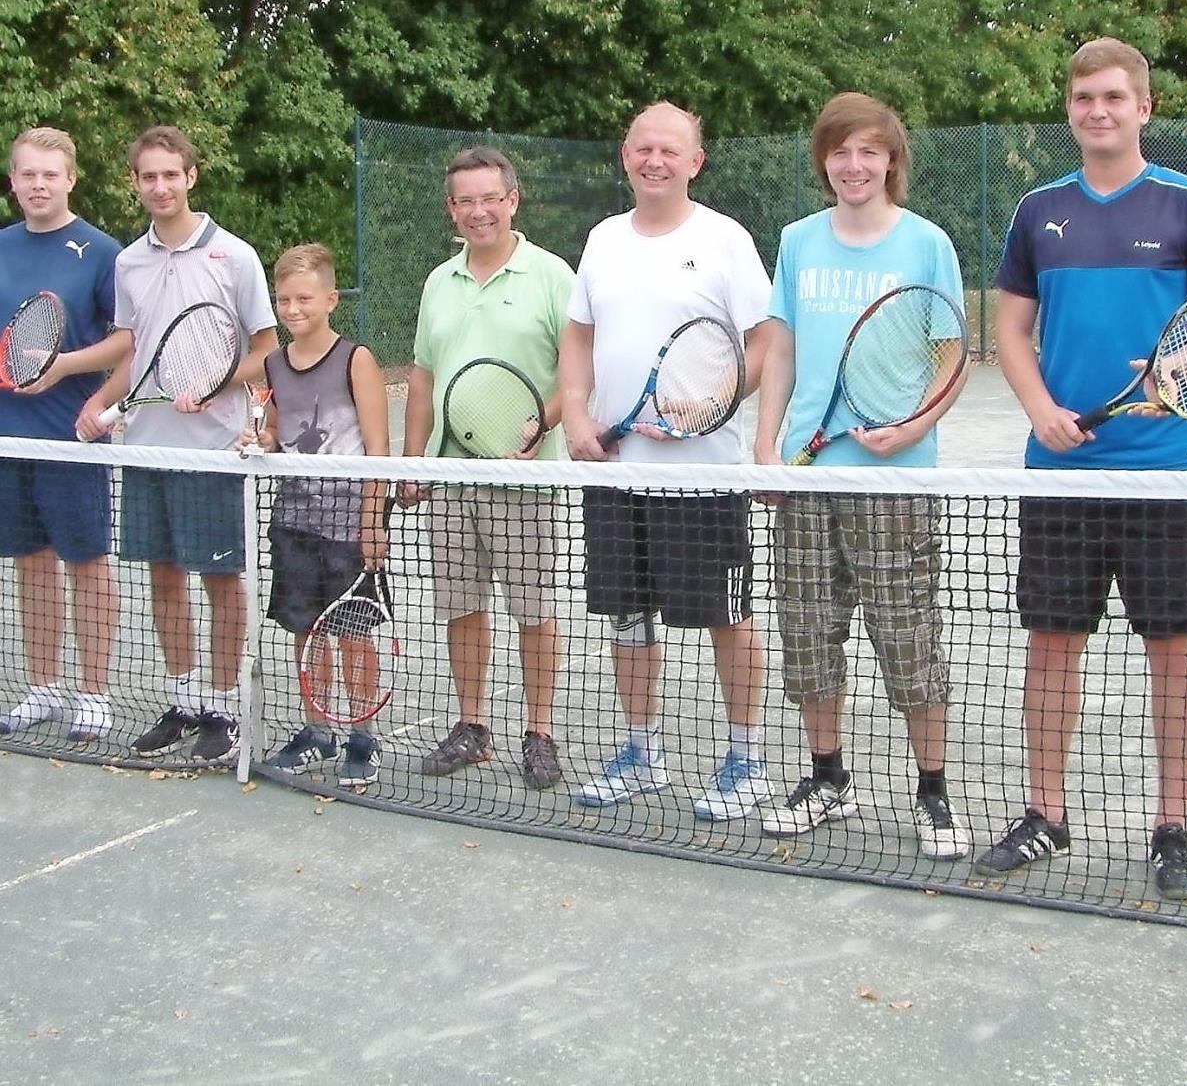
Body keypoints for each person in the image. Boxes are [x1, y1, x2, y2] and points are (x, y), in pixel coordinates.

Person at [984, 38, 1187, 900]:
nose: (1099, 110)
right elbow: (1012, 329)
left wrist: (1175, 371)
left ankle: (1172, 825)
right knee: (1052, 644)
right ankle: (1045, 813)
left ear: (1145, 106)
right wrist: (1040, 412)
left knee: (1173, 648)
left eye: (1115, 97)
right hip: (1059, 471)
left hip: (1165, 470)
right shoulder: (1036, 211)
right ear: (1070, 109)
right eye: (1085, 97)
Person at [754, 92, 970, 860]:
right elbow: (779, 349)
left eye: (869, 151)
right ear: (825, 159)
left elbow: (952, 355)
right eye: (841, 151)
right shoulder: (798, 242)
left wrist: (913, 427)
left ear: (891, 161)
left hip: (896, 482)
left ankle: (934, 793)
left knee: (907, 640)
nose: (854, 165)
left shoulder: (926, 245)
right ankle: (826, 778)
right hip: (809, 477)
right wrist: (765, 449)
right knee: (809, 635)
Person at [560, 101, 773, 821]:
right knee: (627, 613)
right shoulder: (601, 241)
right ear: (625, 156)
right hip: (619, 474)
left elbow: (765, 345)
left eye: (669, 150)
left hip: (705, 474)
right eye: (642, 147)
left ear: (695, 161)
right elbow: (578, 337)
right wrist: (576, 410)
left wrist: (712, 403)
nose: (655, 160)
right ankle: (641, 752)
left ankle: (746, 757)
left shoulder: (726, 241)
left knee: (727, 617)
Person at [76, 126, 278, 764]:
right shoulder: (128, 262)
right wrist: (101, 403)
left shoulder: (236, 257)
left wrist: (215, 381)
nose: (160, 187)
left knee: (221, 580)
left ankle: (224, 707)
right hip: (147, 447)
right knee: (163, 578)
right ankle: (185, 697)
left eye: (171, 174)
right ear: (135, 183)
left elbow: (269, 349)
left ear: (191, 177)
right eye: (148, 176)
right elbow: (134, 351)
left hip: (212, 450)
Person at [401, 146, 572, 789]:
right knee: (461, 604)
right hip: (450, 475)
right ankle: (473, 725)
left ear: (512, 200)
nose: (478, 211)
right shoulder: (437, 282)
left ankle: (540, 731)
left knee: (532, 608)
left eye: (489, 198)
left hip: (526, 480)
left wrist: (541, 424)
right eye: (465, 201)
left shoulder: (553, 276)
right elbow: (421, 378)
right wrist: (412, 461)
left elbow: (579, 371)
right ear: (452, 209)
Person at [0, 128, 122, 742]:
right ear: (14, 180)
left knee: (88, 566)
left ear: (71, 179)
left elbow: (128, 340)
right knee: (30, 566)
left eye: (51, 174)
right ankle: (44, 687)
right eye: (28, 174)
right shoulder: (0, 247)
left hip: (71, 439)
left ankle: (93, 695)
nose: (39, 185)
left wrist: (66, 370)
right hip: (9, 442)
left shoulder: (101, 252)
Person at [253, 244, 390, 787]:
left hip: (347, 525)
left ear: (331, 299)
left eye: (304, 298)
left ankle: (362, 736)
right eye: (283, 299)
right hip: (293, 522)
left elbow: (379, 448)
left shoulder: (356, 359)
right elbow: (273, 431)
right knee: (304, 633)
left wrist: (372, 521)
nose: (292, 309)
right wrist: (258, 437)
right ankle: (317, 731)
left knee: (353, 635)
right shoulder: (270, 365)